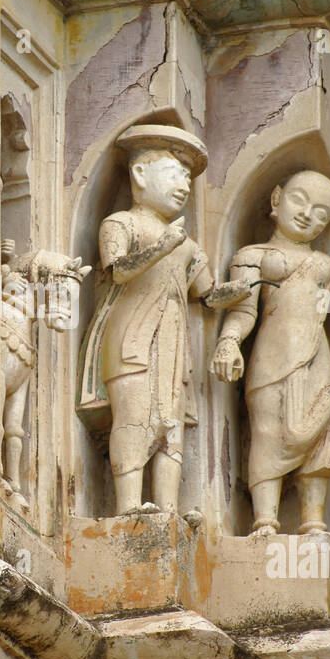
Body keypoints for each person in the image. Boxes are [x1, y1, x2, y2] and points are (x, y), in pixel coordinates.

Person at [78, 124, 227, 519]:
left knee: (170, 426)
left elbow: (209, 296)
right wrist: (162, 247)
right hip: (132, 337)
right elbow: (119, 270)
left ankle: (168, 508)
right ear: (140, 175)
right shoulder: (121, 224)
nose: (184, 186)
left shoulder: (187, 245)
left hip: (174, 344)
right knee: (134, 418)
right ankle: (128, 504)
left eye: (188, 179)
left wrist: (246, 290)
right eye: (174, 174)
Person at [211, 170, 330, 537]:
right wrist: (229, 341)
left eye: (321, 213)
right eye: (299, 200)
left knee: (318, 438)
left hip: (316, 358)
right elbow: (243, 310)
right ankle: (265, 519)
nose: (306, 214)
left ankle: (313, 520)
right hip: (271, 357)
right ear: (276, 198)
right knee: (267, 432)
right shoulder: (253, 256)